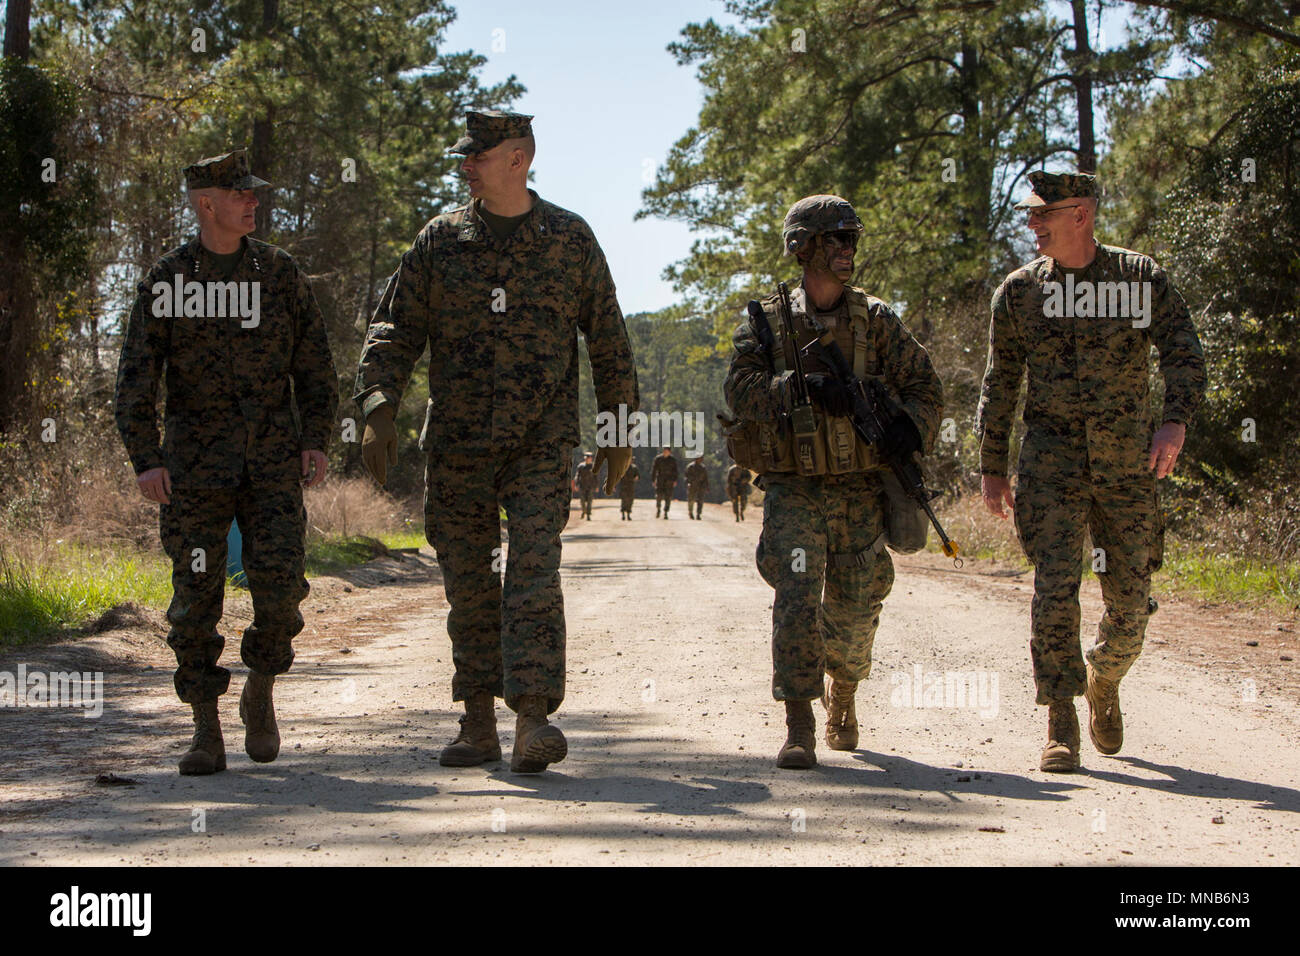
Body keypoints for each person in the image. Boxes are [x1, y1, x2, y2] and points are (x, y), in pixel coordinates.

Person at [354, 111, 638, 773]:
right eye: (463, 158)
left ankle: (532, 717)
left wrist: (619, 425)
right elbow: (394, 327)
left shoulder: (569, 239)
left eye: (477, 157)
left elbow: (608, 337)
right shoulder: (440, 240)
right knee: (469, 580)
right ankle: (477, 720)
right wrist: (377, 404)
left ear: (518, 159)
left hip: (540, 438)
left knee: (534, 569)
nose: (465, 168)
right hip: (457, 441)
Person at [114, 148, 338, 775]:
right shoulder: (169, 280)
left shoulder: (280, 273)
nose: (253, 201)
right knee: (195, 598)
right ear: (205, 204)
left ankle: (260, 686)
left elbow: (315, 365)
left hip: (272, 464)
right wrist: (146, 459)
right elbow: (136, 377)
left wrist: (315, 438)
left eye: (253, 192)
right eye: (240, 193)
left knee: (282, 589)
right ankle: (205, 727)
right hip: (194, 469)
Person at [977, 171, 1206, 772]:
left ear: (1080, 214)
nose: (1032, 223)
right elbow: (1000, 383)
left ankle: (1104, 677)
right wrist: (992, 466)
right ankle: (1060, 720)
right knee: (1054, 590)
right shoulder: (1019, 293)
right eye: (1030, 214)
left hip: (1128, 468)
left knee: (1130, 605)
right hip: (1050, 468)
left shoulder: (1138, 279)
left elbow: (1184, 352)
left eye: (1043, 213)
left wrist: (1174, 422)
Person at [724, 195, 942, 769]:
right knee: (796, 598)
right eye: (836, 239)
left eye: (852, 239)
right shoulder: (768, 323)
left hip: (860, 488)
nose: (848, 250)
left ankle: (843, 689)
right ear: (803, 247)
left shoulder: (876, 320)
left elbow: (925, 387)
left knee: (856, 607)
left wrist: (908, 427)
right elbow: (739, 391)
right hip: (795, 488)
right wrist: (799, 386)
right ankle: (799, 722)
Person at [651, 447, 679, 518]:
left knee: (668, 497)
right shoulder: (658, 459)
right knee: (659, 496)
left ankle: (666, 512)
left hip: (669, 481)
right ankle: (658, 509)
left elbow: (675, 471)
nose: (665, 452)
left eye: (667, 451)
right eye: (664, 451)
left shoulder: (673, 460)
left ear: (669, 452)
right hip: (660, 480)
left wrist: (675, 480)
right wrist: (653, 480)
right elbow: (654, 470)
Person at [574, 451, 597, 520]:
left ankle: (588, 515)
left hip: (590, 486)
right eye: (586, 458)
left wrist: (596, 486)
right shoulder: (580, 466)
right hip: (582, 486)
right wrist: (576, 484)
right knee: (582, 501)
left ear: (591, 458)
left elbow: (596, 477)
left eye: (588, 458)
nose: (587, 459)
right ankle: (584, 511)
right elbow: (577, 476)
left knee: (589, 501)